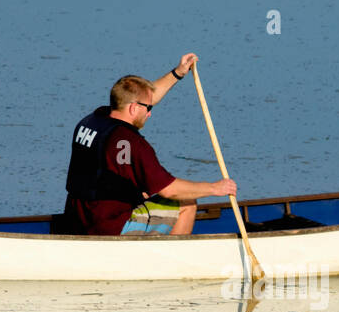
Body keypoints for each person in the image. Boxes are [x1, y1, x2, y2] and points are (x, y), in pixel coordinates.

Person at [60, 53, 237, 236]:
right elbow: (169, 190)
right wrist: (215, 188)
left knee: (144, 190)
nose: (150, 113)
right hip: (109, 225)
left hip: (77, 217)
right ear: (133, 108)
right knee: (187, 202)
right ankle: (171, 254)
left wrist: (177, 73)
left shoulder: (93, 120)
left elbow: (145, 98)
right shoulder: (133, 142)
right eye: (148, 108)